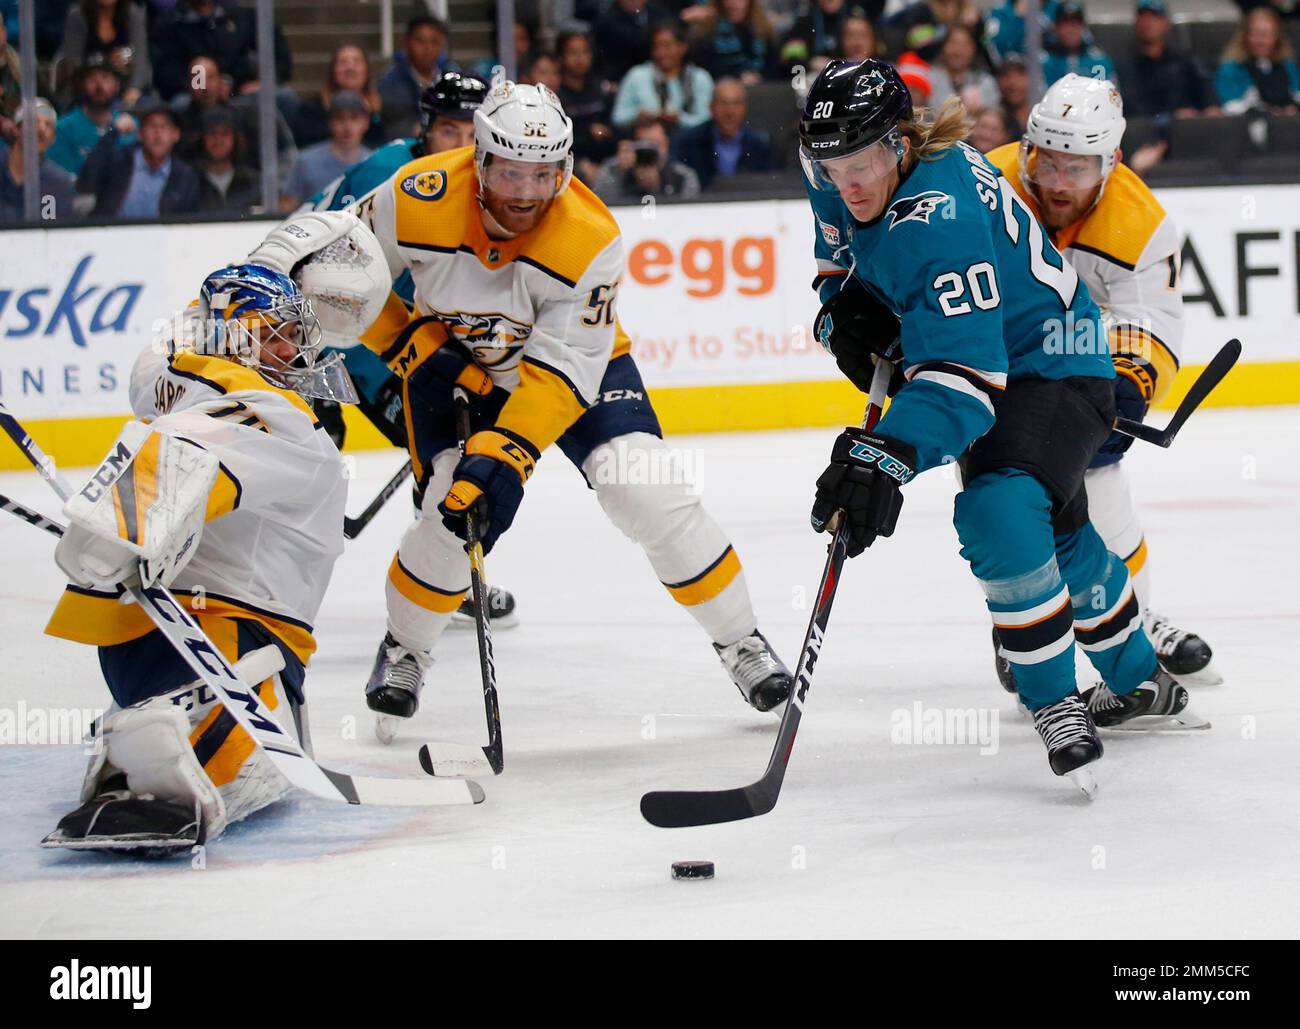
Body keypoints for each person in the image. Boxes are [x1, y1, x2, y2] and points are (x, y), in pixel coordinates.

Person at [797, 59, 1202, 790]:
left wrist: (886, 454)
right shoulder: (833, 169)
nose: (846, 183)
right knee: (1066, 533)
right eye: (831, 166)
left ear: (898, 146)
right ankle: (1143, 680)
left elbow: (966, 383)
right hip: (1001, 356)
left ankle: (1056, 701)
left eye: (862, 164)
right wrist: (842, 309)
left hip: (1057, 361)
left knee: (999, 508)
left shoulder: (938, 215)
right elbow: (839, 258)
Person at [345, 81, 792, 739]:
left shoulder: (590, 237)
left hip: (575, 370)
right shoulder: (414, 196)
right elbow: (339, 270)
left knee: (644, 486)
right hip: (454, 366)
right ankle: (406, 646)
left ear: (567, 167)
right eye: (510, 171)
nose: (526, 191)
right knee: (451, 507)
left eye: (544, 172)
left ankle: (740, 639)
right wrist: (411, 345)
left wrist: (505, 453)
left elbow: (559, 377)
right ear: (480, 160)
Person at [40, 249, 359, 852]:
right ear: (234, 341)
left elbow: (172, 387)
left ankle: (153, 727)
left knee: (188, 715)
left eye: (294, 335)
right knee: (232, 758)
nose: (294, 351)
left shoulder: (178, 382)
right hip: (228, 641)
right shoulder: (269, 415)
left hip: (152, 642)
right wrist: (120, 528)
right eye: (277, 335)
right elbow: (198, 449)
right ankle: (158, 769)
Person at [985, 74, 1219, 687]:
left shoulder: (1137, 222)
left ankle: (1134, 622)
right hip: (996, 358)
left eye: (1079, 169)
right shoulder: (985, 183)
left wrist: (1127, 386)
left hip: (1078, 358)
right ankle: (1025, 623)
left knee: (1102, 483)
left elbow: (1150, 321)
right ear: (1028, 147)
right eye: (1048, 163)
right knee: (1005, 494)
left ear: (1110, 163)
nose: (1059, 184)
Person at [301, 71, 516, 633]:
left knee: (446, 451)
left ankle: (442, 578)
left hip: (379, 337)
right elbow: (326, 262)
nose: (463, 144)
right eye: (450, 130)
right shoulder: (390, 174)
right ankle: (271, 578)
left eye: (473, 132)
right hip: (321, 333)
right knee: (311, 456)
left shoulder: (480, 182)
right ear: (426, 129)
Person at [78, 98, 201, 217]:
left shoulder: (185, 176)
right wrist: (113, 132)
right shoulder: (118, 161)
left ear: (176, 135)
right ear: (140, 134)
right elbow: (86, 181)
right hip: (112, 234)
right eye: (152, 126)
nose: (158, 133)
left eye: (164, 127)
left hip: (162, 237)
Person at [150, 0, 293, 102]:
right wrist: (199, 85)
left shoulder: (241, 16)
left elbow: (280, 55)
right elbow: (164, 71)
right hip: (194, 97)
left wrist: (264, 82)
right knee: (180, 103)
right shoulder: (170, 23)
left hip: (240, 91)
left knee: (285, 97)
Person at [1115, 0, 1218, 119]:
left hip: (1189, 129)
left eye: (1154, 17)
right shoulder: (1125, 66)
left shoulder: (1185, 61)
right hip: (1147, 132)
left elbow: (1204, 87)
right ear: (1136, 22)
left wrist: (1211, 107)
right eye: (1143, 16)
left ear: (1166, 23)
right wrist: (1170, 118)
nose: (1147, 23)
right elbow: (1131, 107)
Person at [670, 76, 776, 188]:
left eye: (736, 104)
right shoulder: (688, 143)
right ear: (711, 107)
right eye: (723, 104)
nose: (729, 112)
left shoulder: (761, 146)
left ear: (744, 108)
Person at [612, 20, 715, 132]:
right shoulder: (637, 75)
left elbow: (708, 120)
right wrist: (636, 117)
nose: (661, 53)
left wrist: (679, 119)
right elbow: (618, 118)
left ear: (683, 47)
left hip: (691, 143)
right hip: (648, 140)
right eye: (656, 47)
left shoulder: (700, 78)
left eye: (667, 46)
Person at [47, 52, 136, 176]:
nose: (99, 86)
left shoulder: (132, 126)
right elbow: (65, 180)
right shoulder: (62, 129)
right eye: (92, 79)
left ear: (117, 85)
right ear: (82, 86)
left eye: (105, 78)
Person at [282, 91, 372, 211]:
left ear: (366, 123)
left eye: (354, 118)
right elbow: (286, 209)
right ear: (330, 122)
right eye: (340, 118)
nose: (347, 126)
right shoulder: (306, 162)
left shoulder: (373, 164)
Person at [59, 0, 152, 106]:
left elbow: (140, 58)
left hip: (125, 86)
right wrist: (107, 61)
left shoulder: (133, 14)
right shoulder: (78, 15)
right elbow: (73, 62)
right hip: (87, 89)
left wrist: (134, 89)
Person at [293, 44, 386, 149]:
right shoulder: (311, 110)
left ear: (366, 70)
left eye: (357, 61)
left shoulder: (383, 109)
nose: (350, 67)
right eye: (343, 62)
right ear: (333, 70)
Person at [596, 111, 702, 201]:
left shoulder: (683, 176)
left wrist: (658, 186)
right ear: (633, 145)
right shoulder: (613, 169)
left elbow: (687, 214)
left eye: (656, 145)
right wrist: (620, 174)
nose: (649, 152)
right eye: (644, 145)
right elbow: (601, 206)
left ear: (666, 145)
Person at [0, 98, 76, 223]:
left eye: (48, 125)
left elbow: (56, 234)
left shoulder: (58, 182)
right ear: (16, 129)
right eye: (33, 121)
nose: (41, 129)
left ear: (53, 139)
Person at [556, 28, 617, 183]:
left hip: (606, 157)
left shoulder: (602, 90)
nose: (580, 58)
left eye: (585, 52)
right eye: (573, 52)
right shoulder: (556, 94)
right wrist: (588, 133)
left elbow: (613, 132)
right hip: (571, 160)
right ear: (561, 57)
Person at [1215, 5, 1300, 114]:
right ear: (1245, 36)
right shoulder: (1231, 69)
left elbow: (1297, 94)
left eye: (1267, 35)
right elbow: (1230, 107)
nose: (1261, 41)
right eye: (1256, 33)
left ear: (1277, 38)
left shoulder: (1288, 67)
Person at [378, 15, 452, 140]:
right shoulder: (389, 84)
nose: (427, 48)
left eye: (434, 42)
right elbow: (392, 127)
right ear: (406, 43)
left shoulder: (452, 78)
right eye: (420, 41)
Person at [688, 0, 777, 84]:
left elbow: (773, 67)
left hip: (763, 89)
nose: (733, 3)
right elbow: (704, 70)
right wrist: (737, 77)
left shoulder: (763, 29)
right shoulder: (707, 32)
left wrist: (759, 77)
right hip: (721, 89)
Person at [194, 103, 260, 213]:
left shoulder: (252, 181)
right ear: (202, 139)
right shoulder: (190, 183)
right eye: (212, 133)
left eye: (225, 134)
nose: (218, 140)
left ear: (235, 138)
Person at [595, 0, 675, 83]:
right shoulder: (607, 19)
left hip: (658, 74)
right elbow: (636, 42)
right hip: (620, 77)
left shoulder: (657, 12)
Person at [928, 23, 999, 113]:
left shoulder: (986, 82)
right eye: (953, 43)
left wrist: (980, 111)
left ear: (973, 49)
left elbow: (994, 117)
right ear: (943, 47)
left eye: (964, 44)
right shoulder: (928, 79)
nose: (957, 50)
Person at [1042, 2, 1115, 87]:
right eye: (1065, 24)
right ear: (1055, 28)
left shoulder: (1099, 62)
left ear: (1083, 26)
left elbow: (1109, 96)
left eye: (1075, 23)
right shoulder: (1044, 62)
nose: (1071, 30)